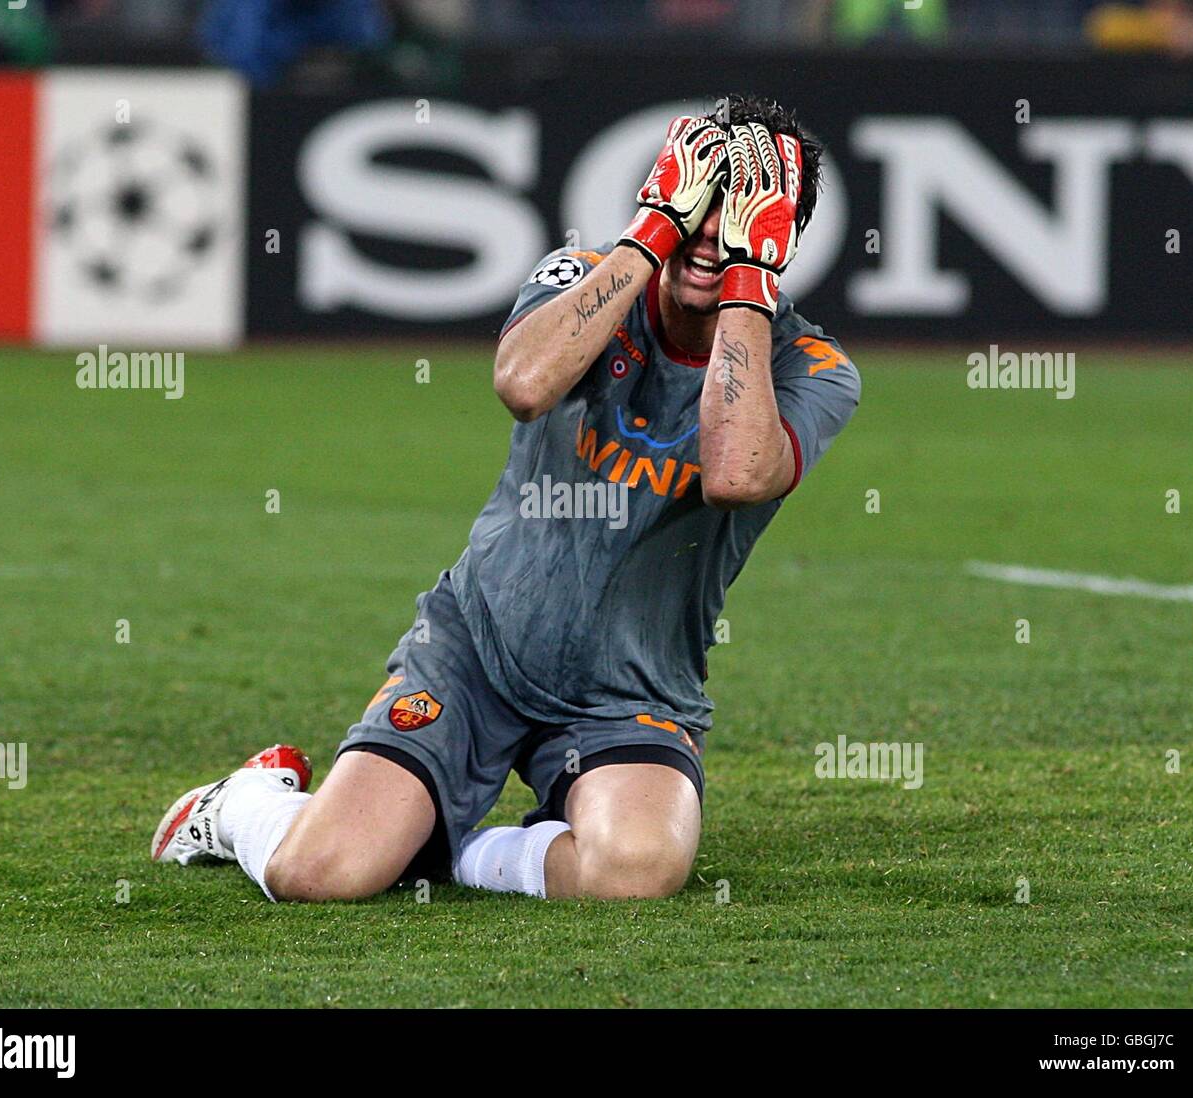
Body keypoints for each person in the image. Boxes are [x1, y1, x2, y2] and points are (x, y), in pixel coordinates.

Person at [151, 94, 861, 902]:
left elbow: (734, 474)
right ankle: (243, 803)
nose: (712, 233)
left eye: (744, 212)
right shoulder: (580, 278)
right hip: (476, 652)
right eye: (703, 201)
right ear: (670, 188)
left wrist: (746, 280)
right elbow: (523, 385)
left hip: (632, 693)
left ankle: (450, 852)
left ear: (786, 236)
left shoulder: (815, 370)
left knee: (637, 871)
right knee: (318, 875)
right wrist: (651, 231)